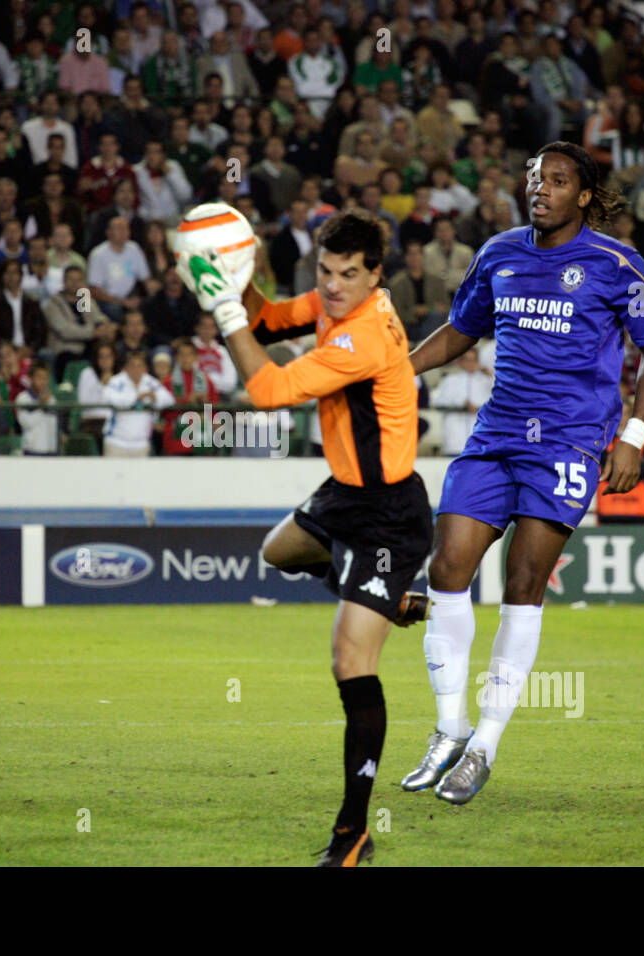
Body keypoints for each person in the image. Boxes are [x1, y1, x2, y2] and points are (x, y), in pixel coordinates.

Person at [402, 142, 644, 805]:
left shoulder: (617, 263)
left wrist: (632, 438)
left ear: (583, 195)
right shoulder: (499, 252)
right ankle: (449, 729)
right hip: (496, 434)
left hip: (569, 444)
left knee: (523, 582)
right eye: (535, 178)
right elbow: (459, 333)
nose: (541, 188)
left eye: (557, 181)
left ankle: (485, 746)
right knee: (447, 569)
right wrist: (393, 371)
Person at [178, 209, 432, 866]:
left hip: (388, 516)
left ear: (377, 277)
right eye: (326, 270)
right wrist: (235, 276)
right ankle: (392, 597)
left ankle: (354, 833)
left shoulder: (367, 336)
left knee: (351, 660)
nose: (335, 284)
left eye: (350, 274)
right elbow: (268, 319)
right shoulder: (330, 303)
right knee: (278, 551)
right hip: (344, 494)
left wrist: (221, 311)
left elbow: (268, 388)